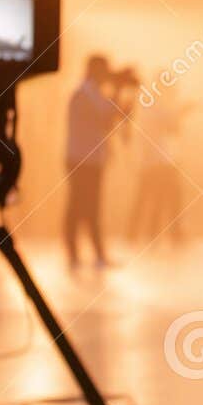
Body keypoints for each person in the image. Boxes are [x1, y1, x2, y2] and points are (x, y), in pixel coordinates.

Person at [64, 54, 131, 268]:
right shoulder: (84, 93)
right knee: (81, 207)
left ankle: (91, 255)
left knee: (87, 207)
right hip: (82, 159)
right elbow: (106, 118)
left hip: (90, 159)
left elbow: (109, 117)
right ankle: (82, 254)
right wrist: (119, 90)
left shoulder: (93, 93)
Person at [128, 87, 191, 246]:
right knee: (159, 197)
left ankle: (150, 233)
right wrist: (184, 110)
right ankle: (148, 233)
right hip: (156, 161)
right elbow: (171, 125)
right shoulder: (154, 106)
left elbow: (172, 128)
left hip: (161, 160)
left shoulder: (153, 106)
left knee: (158, 197)